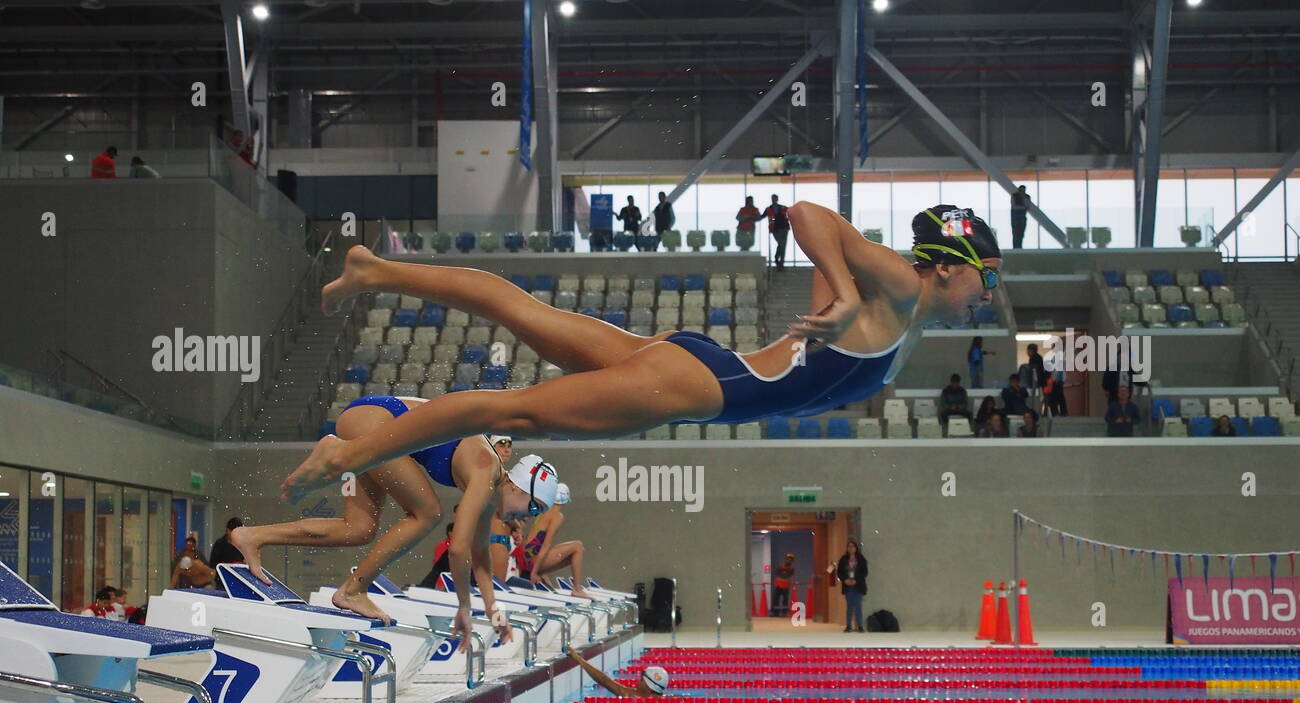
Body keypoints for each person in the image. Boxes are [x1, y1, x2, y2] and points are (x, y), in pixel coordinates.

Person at [283, 204, 1001, 500]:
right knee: (517, 414)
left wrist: (835, 296)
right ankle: (349, 455)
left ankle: (377, 271)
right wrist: (844, 292)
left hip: (694, 363)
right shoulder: (903, 288)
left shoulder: (899, 314)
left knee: (526, 313)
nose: (989, 295)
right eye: (987, 277)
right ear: (948, 264)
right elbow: (807, 214)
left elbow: (825, 252)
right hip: (693, 385)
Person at [231, 393, 559, 631]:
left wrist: (491, 608)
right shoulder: (487, 474)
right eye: (532, 507)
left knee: (358, 528)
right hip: (375, 419)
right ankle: (353, 588)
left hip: (368, 423)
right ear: (517, 486)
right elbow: (458, 548)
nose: (527, 517)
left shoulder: (489, 494)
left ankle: (253, 536)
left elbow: (481, 560)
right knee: (428, 512)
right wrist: (463, 606)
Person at [518, 483, 590, 597]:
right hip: (532, 561)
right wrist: (534, 572)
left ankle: (542, 573)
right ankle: (577, 589)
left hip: (526, 558)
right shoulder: (557, 516)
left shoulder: (543, 511)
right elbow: (545, 545)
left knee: (574, 553)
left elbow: (529, 541)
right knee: (578, 546)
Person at [566, 646, 670, 698]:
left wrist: (578, 659)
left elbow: (604, 680)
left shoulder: (631, 696)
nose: (638, 681)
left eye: (641, 679)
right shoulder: (669, 701)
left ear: (648, 685)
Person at [484, 436, 516, 579]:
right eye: (501, 445)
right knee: (497, 589)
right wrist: (516, 525)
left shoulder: (503, 475)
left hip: (502, 538)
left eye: (509, 445)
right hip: (494, 538)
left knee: (497, 588)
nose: (507, 449)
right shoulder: (492, 473)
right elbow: (500, 508)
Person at [836, 540, 868, 633]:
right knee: (850, 606)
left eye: (853, 546)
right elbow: (839, 573)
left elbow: (864, 572)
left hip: (858, 585)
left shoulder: (861, 559)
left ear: (856, 548)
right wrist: (845, 580)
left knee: (858, 605)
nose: (851, 548)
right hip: (847, 586)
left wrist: (856, 580)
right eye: (849, 546)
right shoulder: (843, 559)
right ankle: (848, 626)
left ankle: (860, 626)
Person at [761, 194, 791, 268]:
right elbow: (761, 216)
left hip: (784, 229)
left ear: (777, 199)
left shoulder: (783, 208)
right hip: (775, 230)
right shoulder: (768, 209)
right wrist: (751, 218)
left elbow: (791, 212)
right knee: (781, 245)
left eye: (775, 198)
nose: (774, 199)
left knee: (783, 245)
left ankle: (780, 263)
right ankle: (777, 258)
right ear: (771, 199)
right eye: (773, 198)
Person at [772, 553, 795, 617]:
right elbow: (777, 573)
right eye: (788, 559)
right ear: (785, 559)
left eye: (790, 560)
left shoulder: (792, 568)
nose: (789, 560)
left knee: (785, 599)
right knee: (776, 598)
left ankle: (784, 613)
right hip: (778, 585)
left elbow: (787, 575)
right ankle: (775, 613)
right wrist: (783, 573)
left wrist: (783, 573)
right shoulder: (780, 566)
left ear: (792, 561)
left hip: (785, 586)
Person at [1010, 185, 1030, 249]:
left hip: (1022, 217)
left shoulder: (1027, 197)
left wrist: (1024, 198)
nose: (1022, 192)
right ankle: (1015, 247)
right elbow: (1014, 206)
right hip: (1015, 217)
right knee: (1015, 232)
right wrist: (1023, 207)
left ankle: (1019, 247)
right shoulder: (1014, 196)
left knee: (1021, 233)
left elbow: (1028, 207)